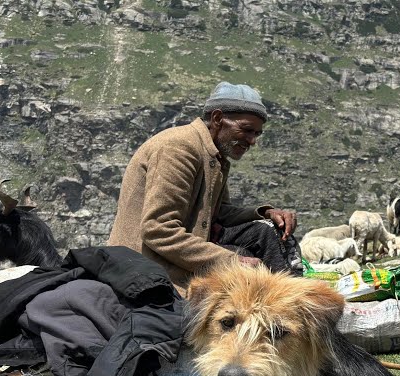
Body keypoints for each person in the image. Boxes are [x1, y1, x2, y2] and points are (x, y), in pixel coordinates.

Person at [108, 82, 300, 295]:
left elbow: (217, 212)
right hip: (145, 264)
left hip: (181, 249)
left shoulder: (214, 156)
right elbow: (158, 229)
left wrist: (266, 213)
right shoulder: (179, 148)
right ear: (217, 119)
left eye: (257, 133)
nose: (252, 141)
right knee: (244, 267)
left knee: (269, 231)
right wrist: (231, 260)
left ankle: (290, 296)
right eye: (246, 130)